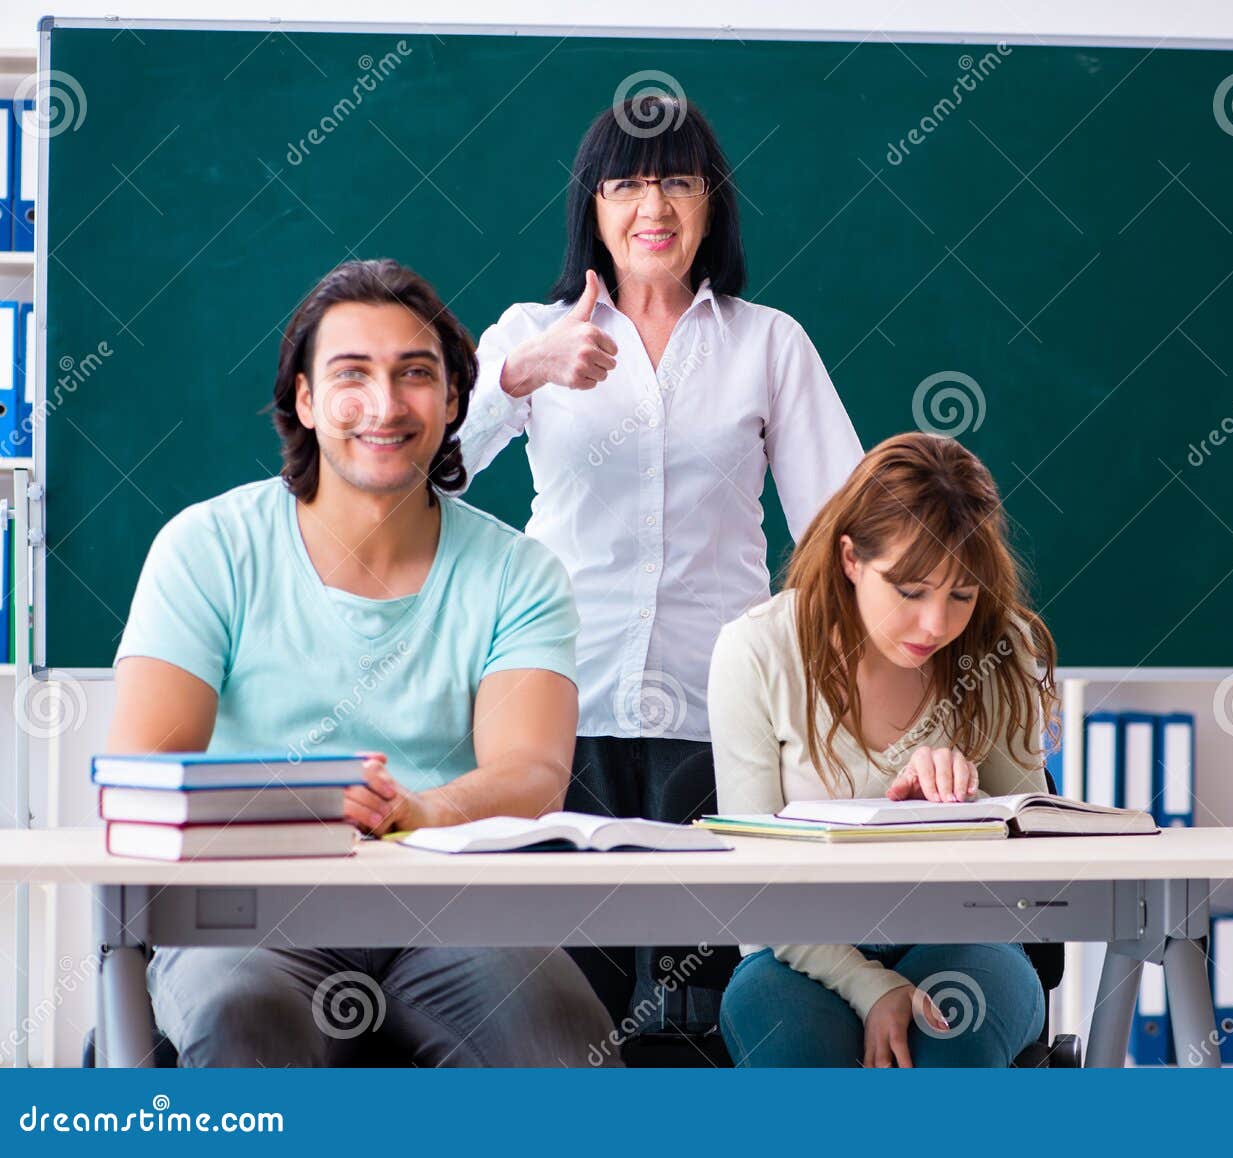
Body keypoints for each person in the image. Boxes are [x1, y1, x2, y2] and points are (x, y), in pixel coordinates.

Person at [104, 258, 614, 1067]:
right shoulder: (207, 548)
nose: (385, 405)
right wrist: (298, 802)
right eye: (352, 375)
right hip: (248, 915)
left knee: (557, 1035)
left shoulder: (520, 573)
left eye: (416, 374)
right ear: (305, 401)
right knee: (245, 1019)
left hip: (450, 912)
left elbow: (532, 774)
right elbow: (145, 767)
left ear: (455, 399)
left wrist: (421, 809)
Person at [457, 94, 862, 1024]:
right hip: (559, 702)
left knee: (704, 1002)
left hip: (720, 712)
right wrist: (521, 375)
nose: (654, 207)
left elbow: (843, 530)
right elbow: (430, 474)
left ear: (711, 205)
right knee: (561, 1000)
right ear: (592, 208)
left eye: (679, 183)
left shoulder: (768, 342)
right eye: (627, 186)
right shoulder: (528, 334)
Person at [708, 432, 1061, 1067]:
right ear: (851, 558)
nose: (936, 624)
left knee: (950, 1043)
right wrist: (870, 986)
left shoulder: (998, 645)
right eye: (910, 590)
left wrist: (964, 807)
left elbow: (1031, 867)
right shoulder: (757, 650)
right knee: (798, 1053)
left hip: (965, 938)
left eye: (962, 594)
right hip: (796, 953)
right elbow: (756, 888)